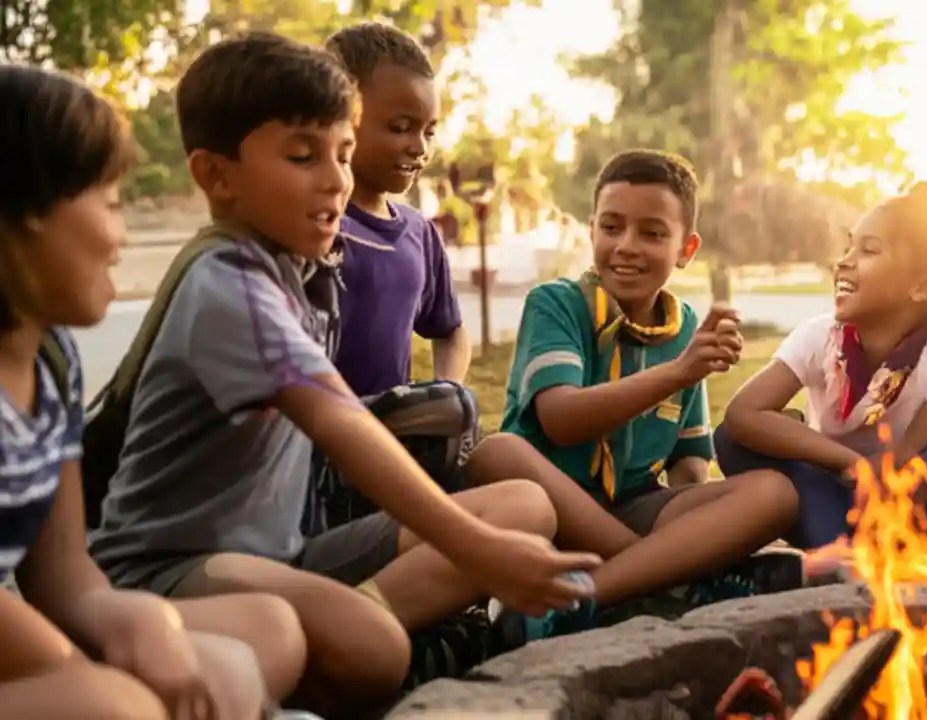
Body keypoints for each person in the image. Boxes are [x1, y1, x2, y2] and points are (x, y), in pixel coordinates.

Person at [85, 33, 599, 716]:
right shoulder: (228, 286)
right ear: (216, 175)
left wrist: (484, 541)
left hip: (290, 548)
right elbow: (339, 417)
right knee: (378, 648)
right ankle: (355, 640)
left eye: (344, 155)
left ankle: (349, 632)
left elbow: (431, 336)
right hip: (173, 568)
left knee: (524, 507)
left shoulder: (302, 267)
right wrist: (479, 552)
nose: (335, 180)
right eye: (303, 157)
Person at [0, 64, 306, 719]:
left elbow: (61, 573)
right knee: (116, 706)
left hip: (23, 645)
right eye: (110, 203)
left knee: (251, 644)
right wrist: (78, 664)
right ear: (26, 211)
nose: (121, 240)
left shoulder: (51, 364)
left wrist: (129, 622)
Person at [465, 149, 800, 641]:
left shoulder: (684, 326)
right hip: (550, 501)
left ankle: (591, 594)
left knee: (774, 494)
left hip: (634, 506)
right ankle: (673, 578)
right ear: (592, 231)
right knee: (498, 453)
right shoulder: (557, 303)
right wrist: (679, 372)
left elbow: (689, 461)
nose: (627, 246)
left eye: (652, 233)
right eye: (612, 227)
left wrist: (697, 513)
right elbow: (560, 419)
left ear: (686, 249)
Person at [715, 183, 927, 550]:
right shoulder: (820, 336)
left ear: (924, 285)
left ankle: (865, 551)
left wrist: (869, 475)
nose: (844, 261)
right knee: (733, 438)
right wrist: (849, 463)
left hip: (907, 505)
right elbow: (744, 413)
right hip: (834, 497)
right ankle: (852, 552)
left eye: (868, 250)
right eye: (849, 245)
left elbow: (910, 459)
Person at [324, 22, 469, 395]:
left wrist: (446, 393)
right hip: (315, 443)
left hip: (391, 440)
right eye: (401, 127)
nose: (420, 147)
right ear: (340, 117)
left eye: (429, 132)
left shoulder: (418, 232)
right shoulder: (313, 225)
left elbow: (450, 330)